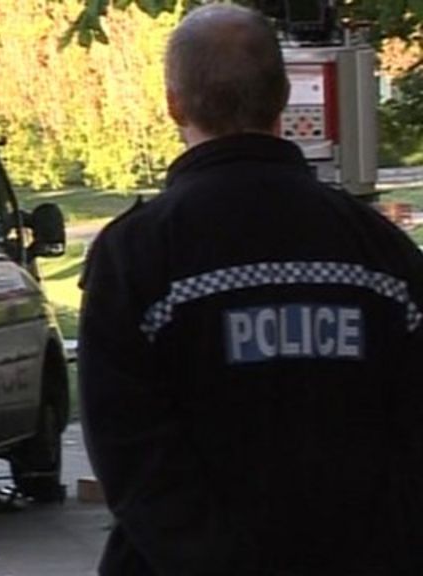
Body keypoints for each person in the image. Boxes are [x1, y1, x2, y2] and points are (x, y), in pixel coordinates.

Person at [78, 5, 423, 575]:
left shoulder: (136, 255)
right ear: (282, 96)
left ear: (174, 105)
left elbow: (128, 452)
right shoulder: (380, 253)